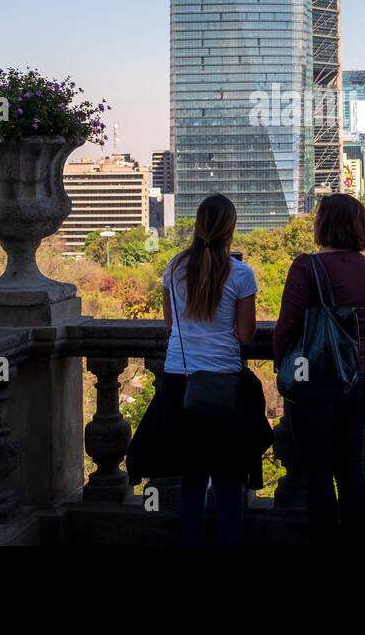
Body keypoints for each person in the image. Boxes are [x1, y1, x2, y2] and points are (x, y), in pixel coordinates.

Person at [130, 194, 270, 546]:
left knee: (191, 476)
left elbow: (168, 326)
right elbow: (246, 335)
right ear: (230, 229)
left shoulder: (175, 268)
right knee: (227, 477)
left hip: (181, 380)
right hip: (224, 383)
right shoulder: (241, 274)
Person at [273, 193, 365, 544]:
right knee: (351, 470)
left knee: (316, 475)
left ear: (323, 224)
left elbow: (287, 327)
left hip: (314, 378)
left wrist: (281, 366)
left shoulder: (306, 266)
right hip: (359, 374)